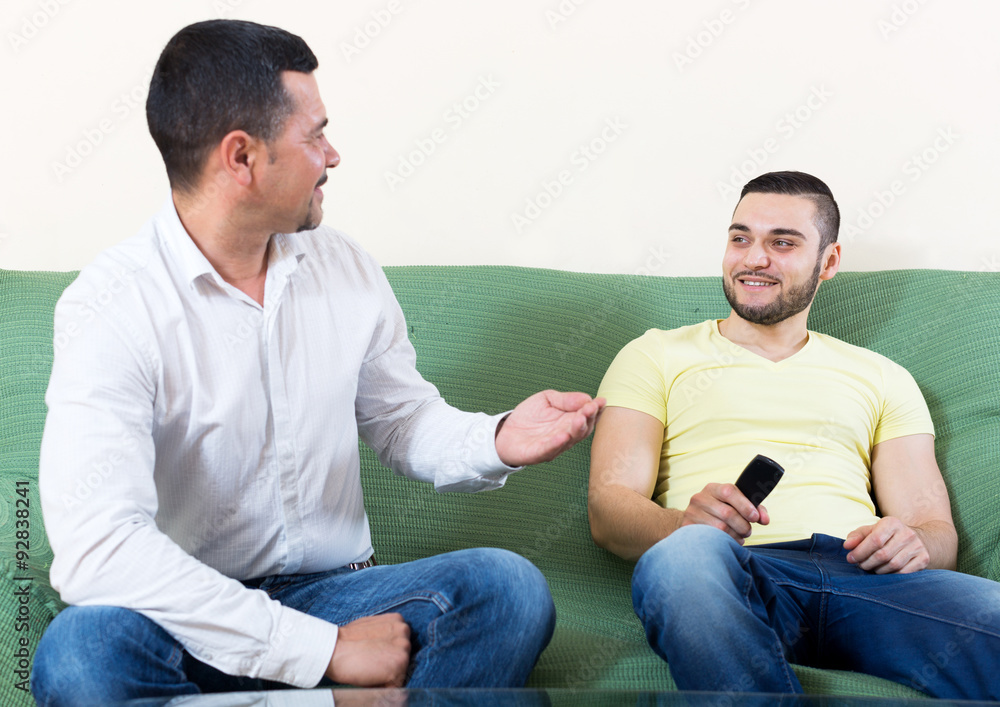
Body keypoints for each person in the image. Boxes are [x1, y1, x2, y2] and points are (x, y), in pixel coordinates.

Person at [31, 19, 604, 705]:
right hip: (183, 608)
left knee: (505, 591)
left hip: (336, 593)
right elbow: (101, 548)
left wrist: (497, 436)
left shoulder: (345, 267)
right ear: (241, 158)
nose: (332, 155)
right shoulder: (110, 305)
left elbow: (402, 421)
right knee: (81, 656)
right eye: (314, 134)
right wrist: (326, 656)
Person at [587, 170, 1000, 700]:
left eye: (781, 242)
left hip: (871, 580)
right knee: (681, 560)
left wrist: (914, 541)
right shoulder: (654, 354)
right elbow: (608, 508)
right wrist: (684, 525)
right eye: (741, 238)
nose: (754, 258)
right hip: (738, 572)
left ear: (828, 262)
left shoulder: (883, 376)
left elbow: (937, 532)